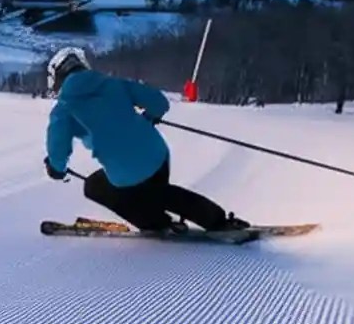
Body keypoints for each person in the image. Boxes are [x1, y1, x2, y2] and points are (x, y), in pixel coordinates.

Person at [42, 46, 249, 234]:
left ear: (58, 79)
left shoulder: (63, 110)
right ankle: (214, 220)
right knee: (155, 192)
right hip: (158, 156)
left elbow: (58, 154)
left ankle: (159, 223)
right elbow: (159, 103)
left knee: (95, 187)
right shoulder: (114, 84)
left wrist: (56, 169)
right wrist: (147, 118)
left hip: (126, 175)